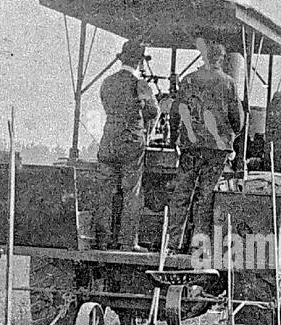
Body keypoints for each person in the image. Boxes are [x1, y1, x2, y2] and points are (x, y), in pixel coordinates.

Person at [168, 41, 243, 251]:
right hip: (217, 148)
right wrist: (231, 137)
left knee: (182, 194)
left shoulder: (189, 79)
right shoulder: (228, 83)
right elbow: (237, 118)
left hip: (191, 146)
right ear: (221, 59)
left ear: (204, 57)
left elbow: (175, 112)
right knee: (205, 196)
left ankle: (174, 243)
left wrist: (174, 138)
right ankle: (197, 246)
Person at [96, 39, 158, 250]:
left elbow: (106, 104)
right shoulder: (140, 84)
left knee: (105, 192)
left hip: (108, 140)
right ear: (140, 62)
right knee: (132, 192)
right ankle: (128, 242)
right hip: (131, 142)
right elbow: (153, 112)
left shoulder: (108, 82)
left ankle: (102, 240)